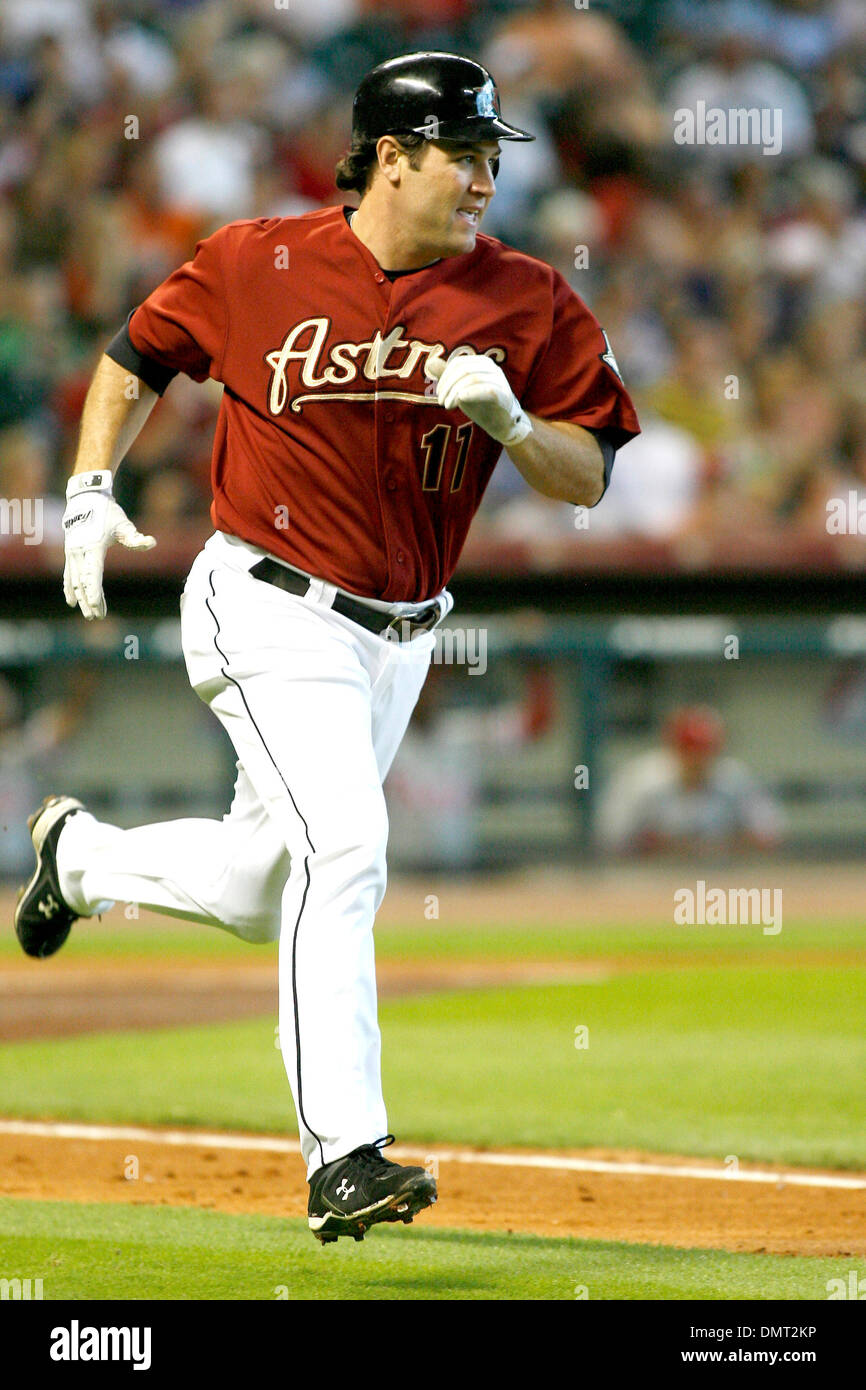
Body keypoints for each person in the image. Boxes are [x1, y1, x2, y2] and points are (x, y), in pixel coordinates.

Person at [15, 52, 639, 1243]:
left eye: (492, 157)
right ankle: (343, 1152)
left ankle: (79, 859)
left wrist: (512, 421)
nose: (484, 180)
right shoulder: (260, 259)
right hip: (263, 597)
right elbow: (134, 355)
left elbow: (589, 476)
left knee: (267, 888)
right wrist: (89, 486)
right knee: (348, 847)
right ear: (390, 157)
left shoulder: (525, 297)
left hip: (399, 637)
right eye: (464, 154)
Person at [596, 704, 782, 856]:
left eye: (704, 750)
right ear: (672, 747)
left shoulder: (735, 778)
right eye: (689, 749)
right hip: (646, 882)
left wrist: (720, 845)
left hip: (721, 882)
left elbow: (769, 834)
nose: (697, 759)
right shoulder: (640, 779)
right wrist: (659, 845)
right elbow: (610, 837)